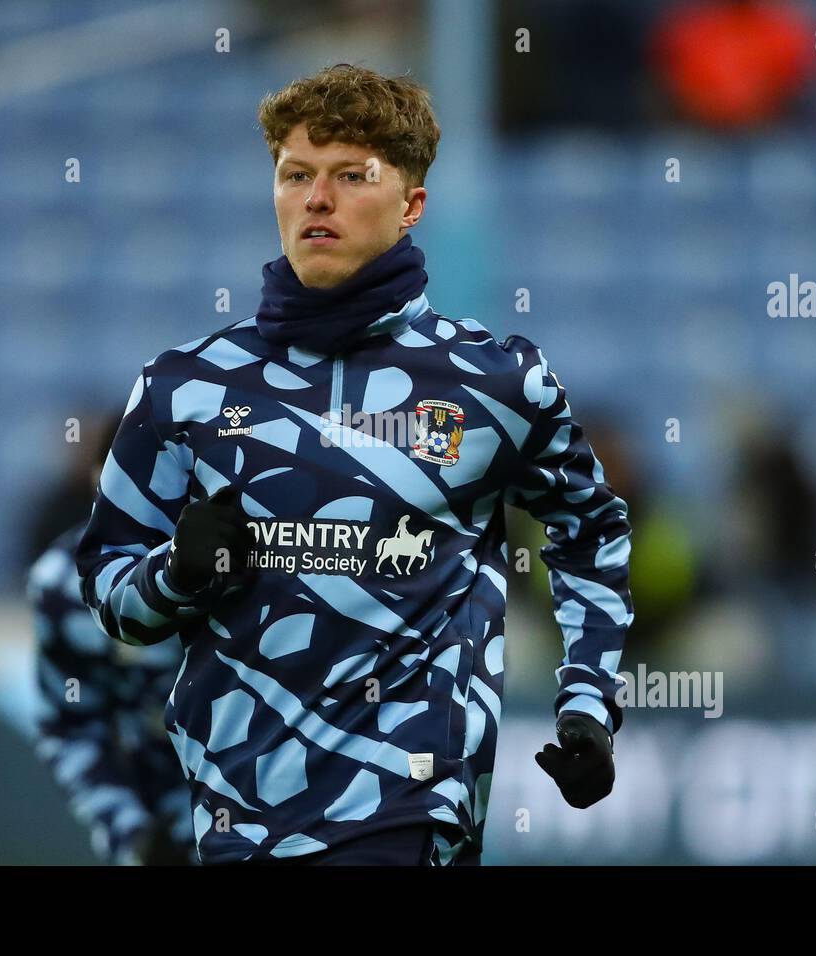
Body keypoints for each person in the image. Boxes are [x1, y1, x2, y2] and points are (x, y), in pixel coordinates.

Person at [75, 64, 634, 866]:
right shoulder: (185, 388)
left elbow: (592, 534)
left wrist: (587, 702)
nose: (316, 199)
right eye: (296, 174)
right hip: (237, 810)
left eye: (349, 176)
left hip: (405, 800)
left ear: (411, 206)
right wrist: (176, 574)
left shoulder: (498, 382)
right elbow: (113, 592)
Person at [30, 414, 196, 865]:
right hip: (149, 832)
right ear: (95, 479)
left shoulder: (237, 570)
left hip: (248, 827)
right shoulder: (60, 584)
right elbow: (71, 726)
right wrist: (131, 832)